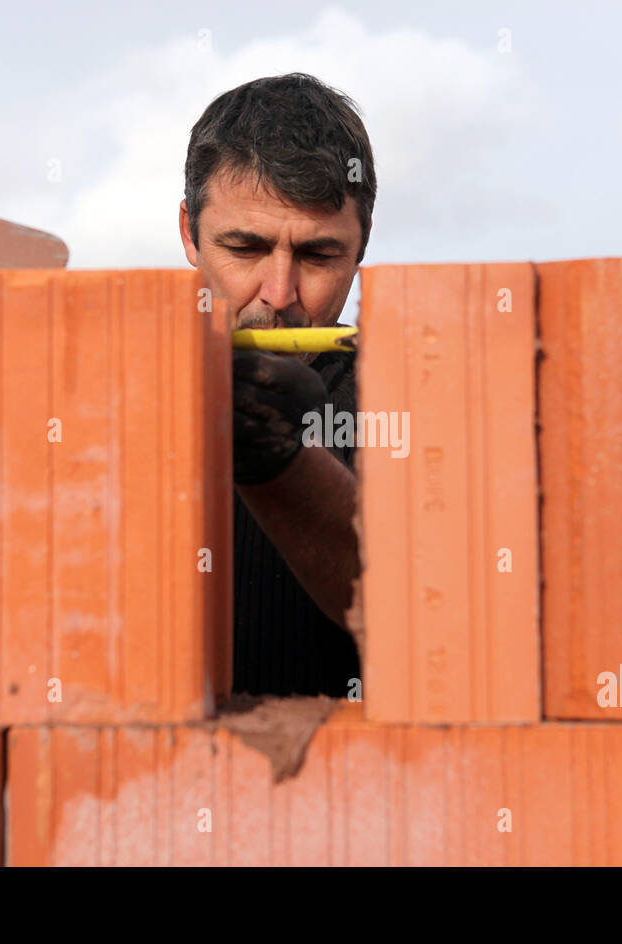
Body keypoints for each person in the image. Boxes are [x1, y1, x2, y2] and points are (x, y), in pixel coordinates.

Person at [178, 73, 377, 697]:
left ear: (360, 247)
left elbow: (436, 613)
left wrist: (278, 461)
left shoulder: (415, 394)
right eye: (245, 247)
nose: (279, 293)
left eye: (318, 256)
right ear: (190, 233)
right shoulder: (103, 390)